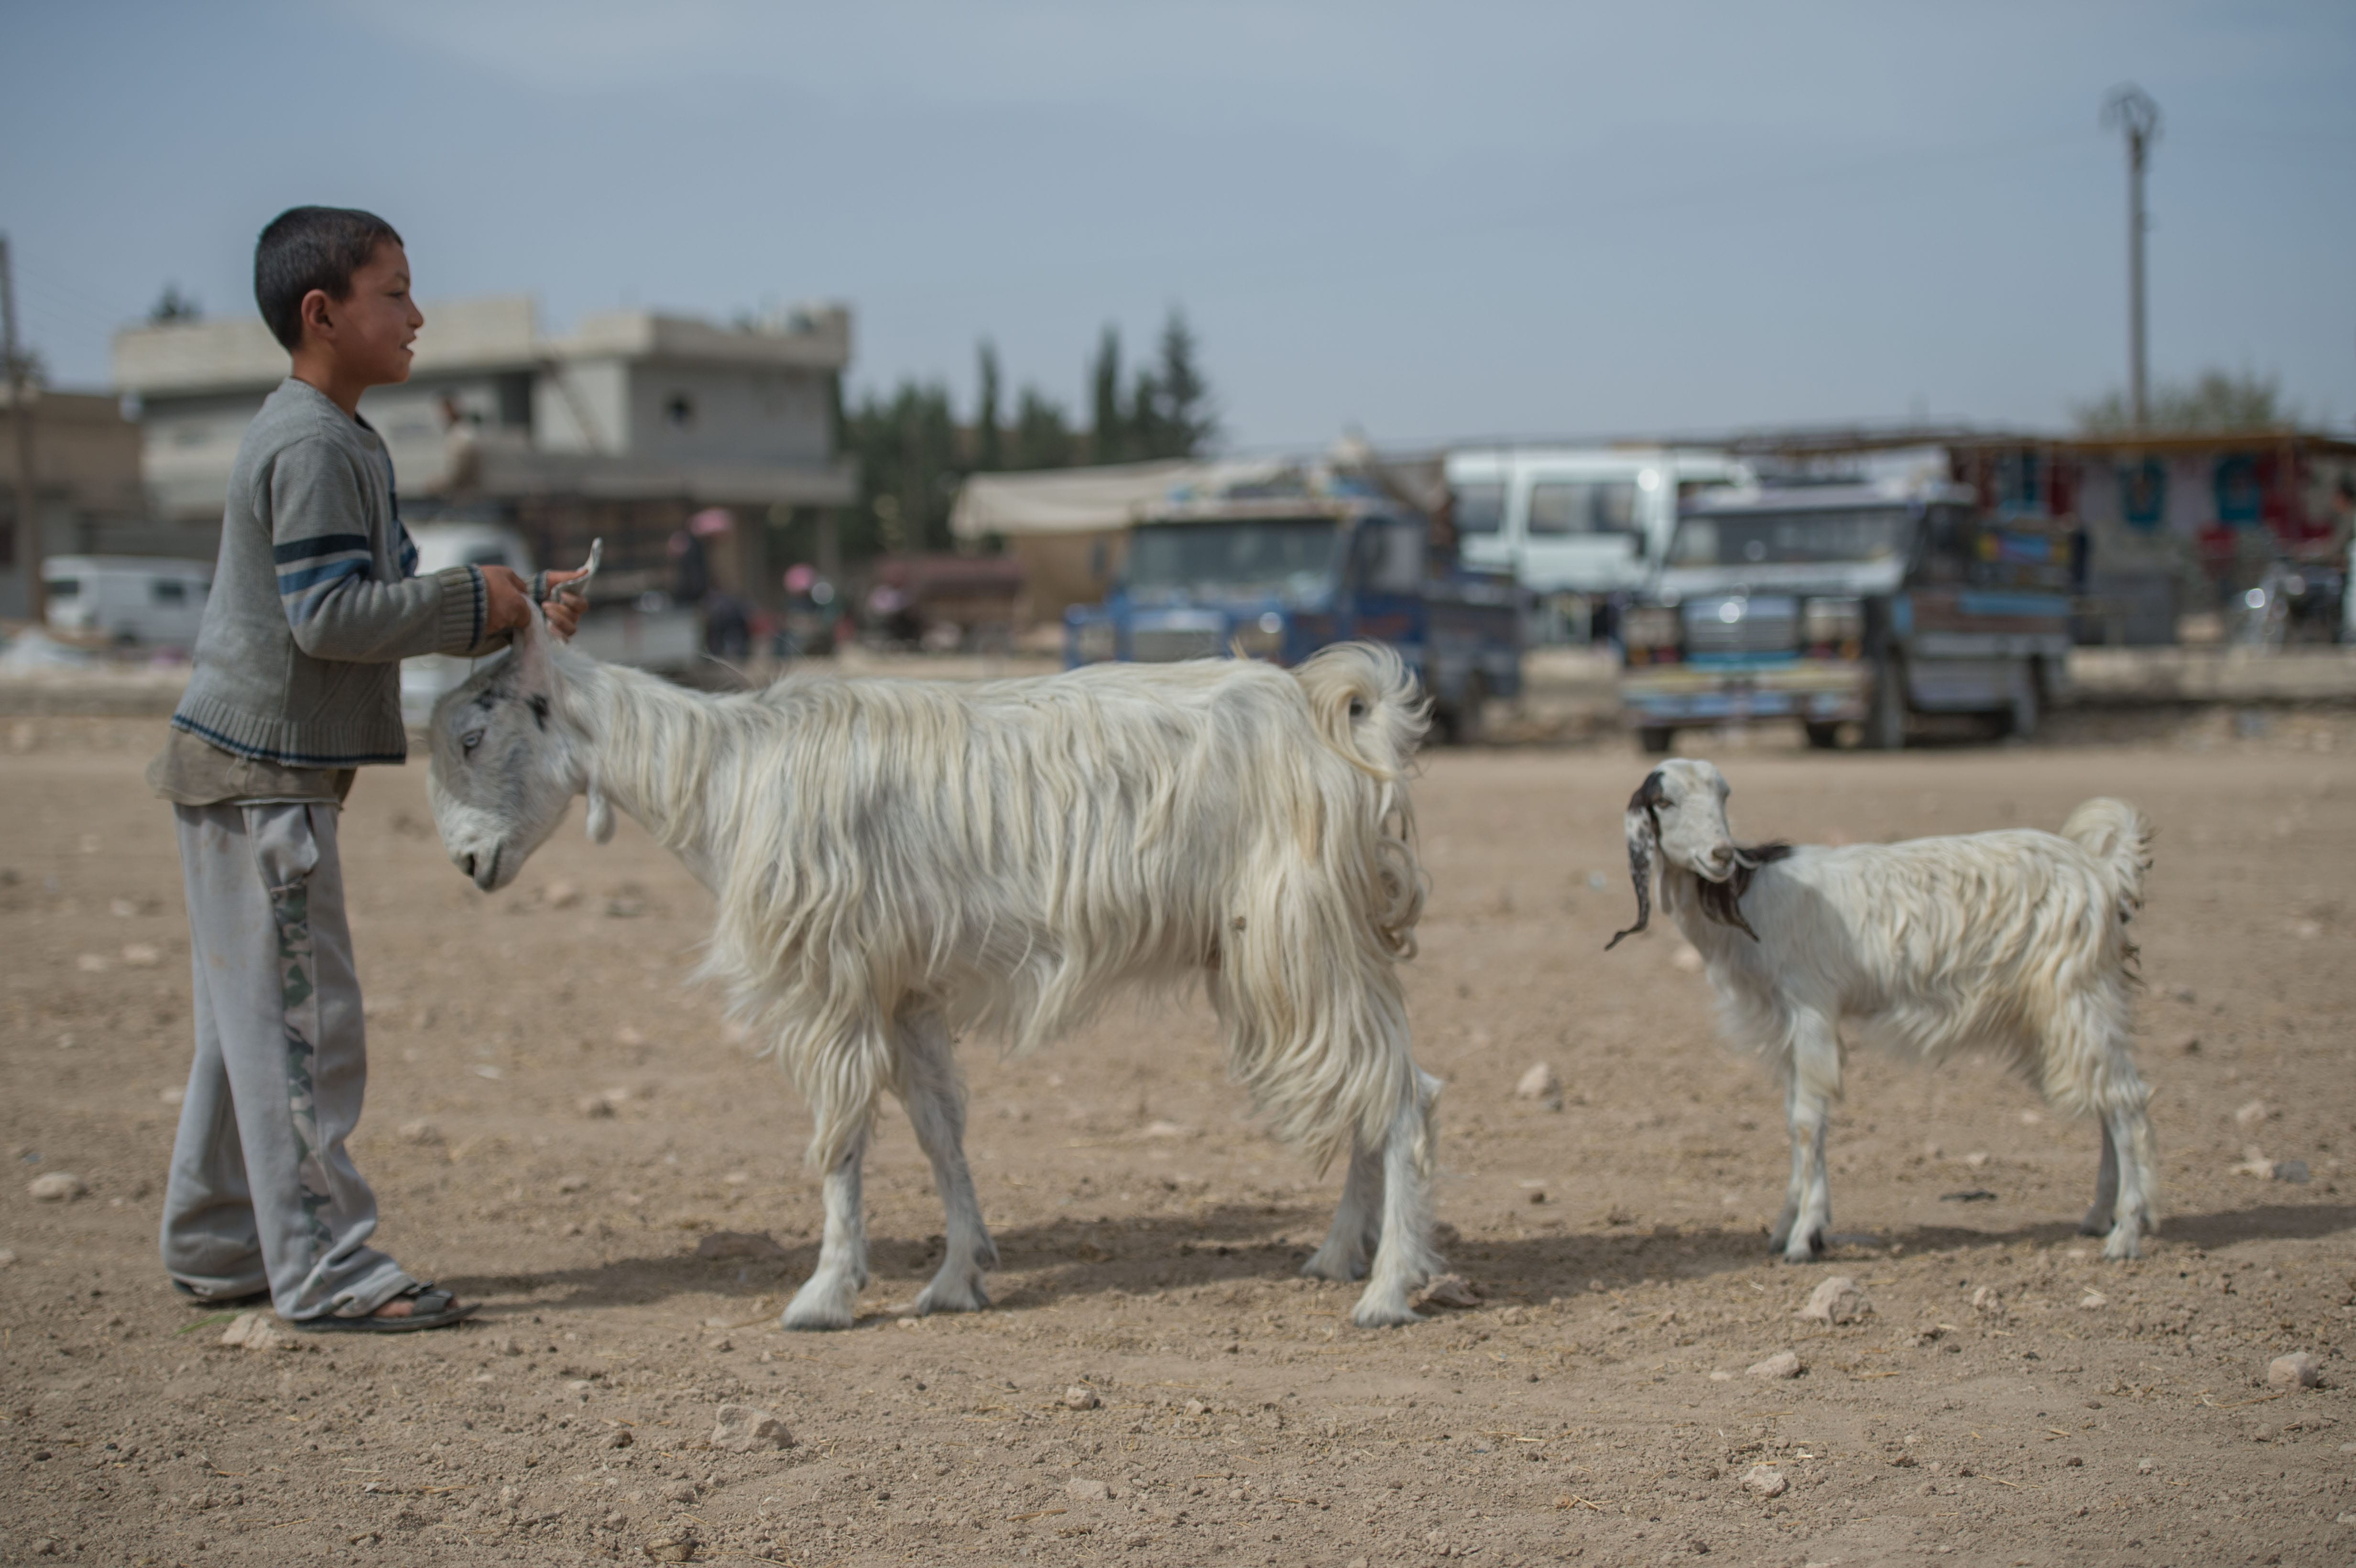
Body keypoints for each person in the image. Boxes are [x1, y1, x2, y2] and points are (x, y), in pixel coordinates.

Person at [146, 206, 584, 1332]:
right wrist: (469, 599)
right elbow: (330, 615)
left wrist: (516, 604)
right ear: (322, 313)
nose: (417, 314)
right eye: (394, 293)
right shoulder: (311, 444)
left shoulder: (344, 438)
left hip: (245, 771)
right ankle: (326, 1265)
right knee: (303, 1024)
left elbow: (388, 600)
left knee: (249, 1023)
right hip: (262, 779)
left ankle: (221, 1240)